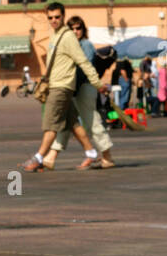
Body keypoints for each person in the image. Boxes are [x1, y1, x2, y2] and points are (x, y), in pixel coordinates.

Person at [23, 1, 108, 172]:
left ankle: (38, 157)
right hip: (56, 85)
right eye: (50, 17)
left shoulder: (68, 37)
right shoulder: (55, 35)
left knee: (51, 124)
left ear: (63, 16)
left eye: (57, 17)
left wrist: (98, 84)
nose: (54, 20)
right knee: (73, 124)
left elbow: (83, 62)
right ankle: (91, 152)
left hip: (61, 88)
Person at [42, 17, 115, 170]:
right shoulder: (68, 42)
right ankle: (51, 156)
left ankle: (107, 157)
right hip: (71, 87)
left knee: (91, 122)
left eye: (78, 28)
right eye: (72, 28)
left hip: (83, 87)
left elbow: (84, 67)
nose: (76, 31)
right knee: (67, 122)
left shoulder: (86, 45)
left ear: (83, 30)